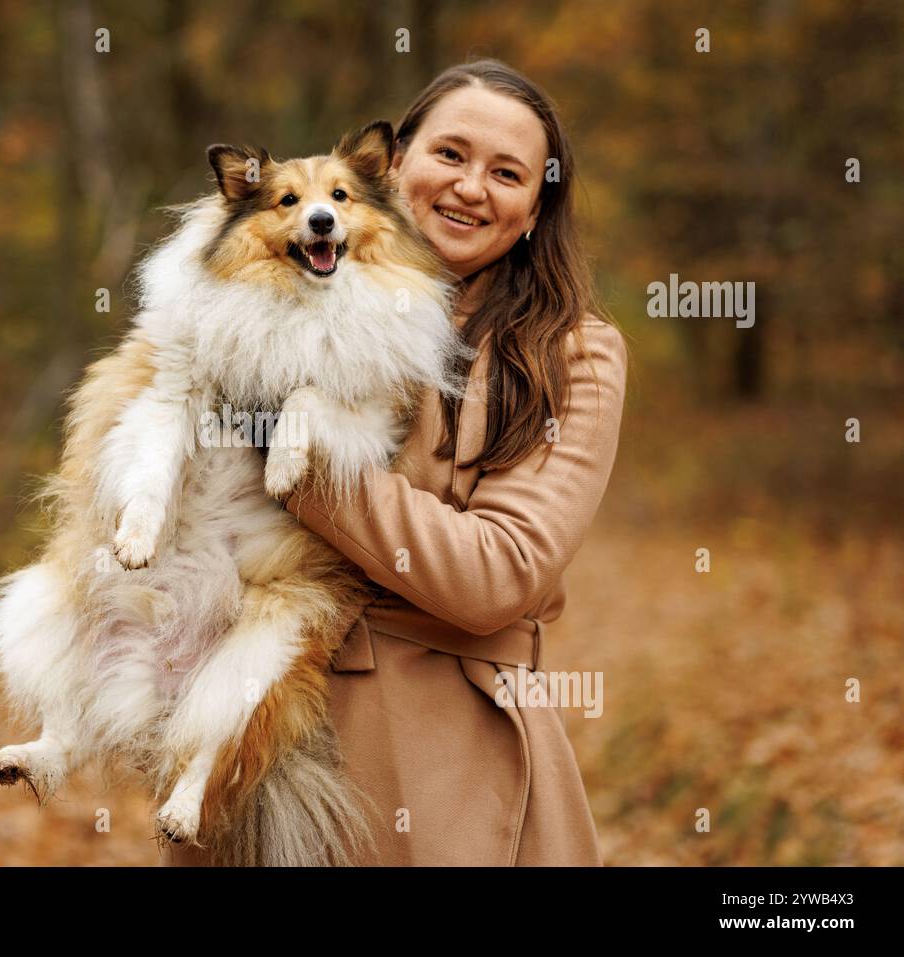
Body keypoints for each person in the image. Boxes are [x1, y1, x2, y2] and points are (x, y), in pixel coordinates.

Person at [169, 57, 627, 865]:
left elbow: (498, 573)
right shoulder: (255, 293)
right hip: (256, 716)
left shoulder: (572, 352)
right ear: (397, 163)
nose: (471, 187)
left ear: (533, 209)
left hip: (444, 750)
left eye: (508, 173)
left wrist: (299, 456)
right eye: (450, 154)